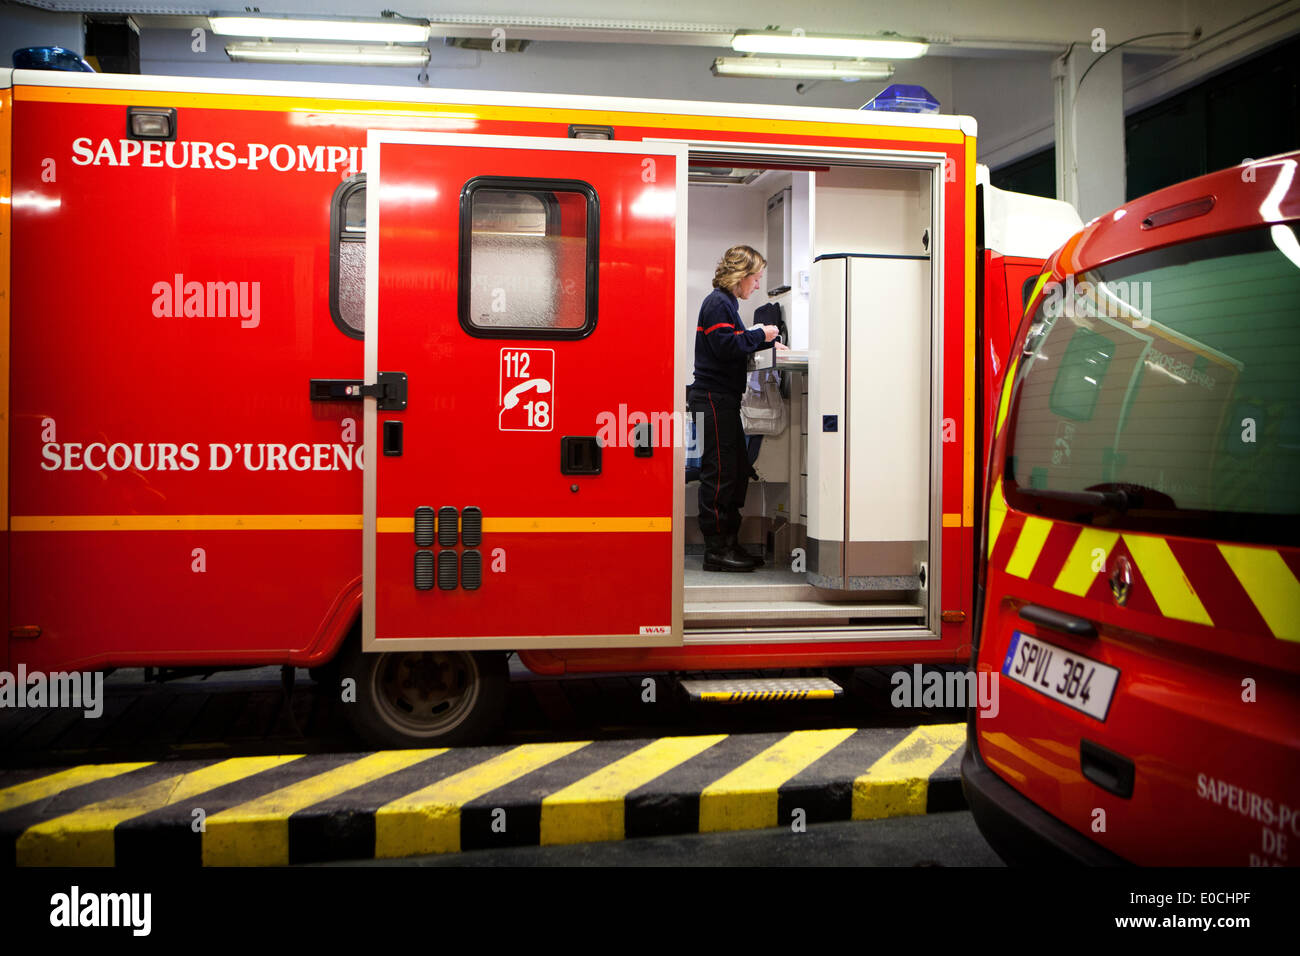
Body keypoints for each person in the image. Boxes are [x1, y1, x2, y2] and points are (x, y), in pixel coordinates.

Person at [690, 245, 788, 572]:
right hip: (714, 397)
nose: (757, 285)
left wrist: (765, 341)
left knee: (733, 471)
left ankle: (729, 543)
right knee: (720, 474)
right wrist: (762, 333)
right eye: (756, 279)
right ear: (742, 277)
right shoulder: (718, 302)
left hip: (722, 398)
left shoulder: (726, 304)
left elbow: (734, 340)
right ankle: (717, 550)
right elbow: (725, 345)